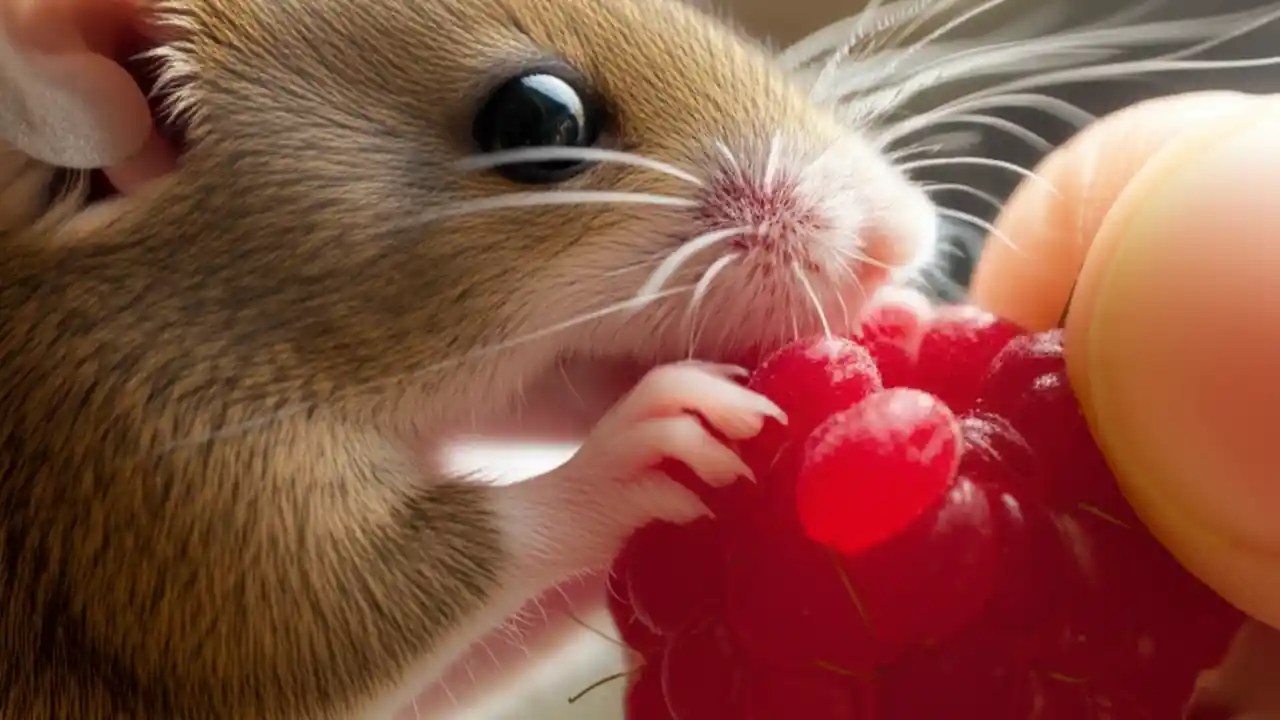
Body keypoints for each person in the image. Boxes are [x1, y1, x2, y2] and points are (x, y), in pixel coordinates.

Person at [4, 3, 1278, 713]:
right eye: (538, 127)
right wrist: (563, 512)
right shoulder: (122, 393)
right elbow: (265, 658)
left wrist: (605, 516)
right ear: (129, 89)